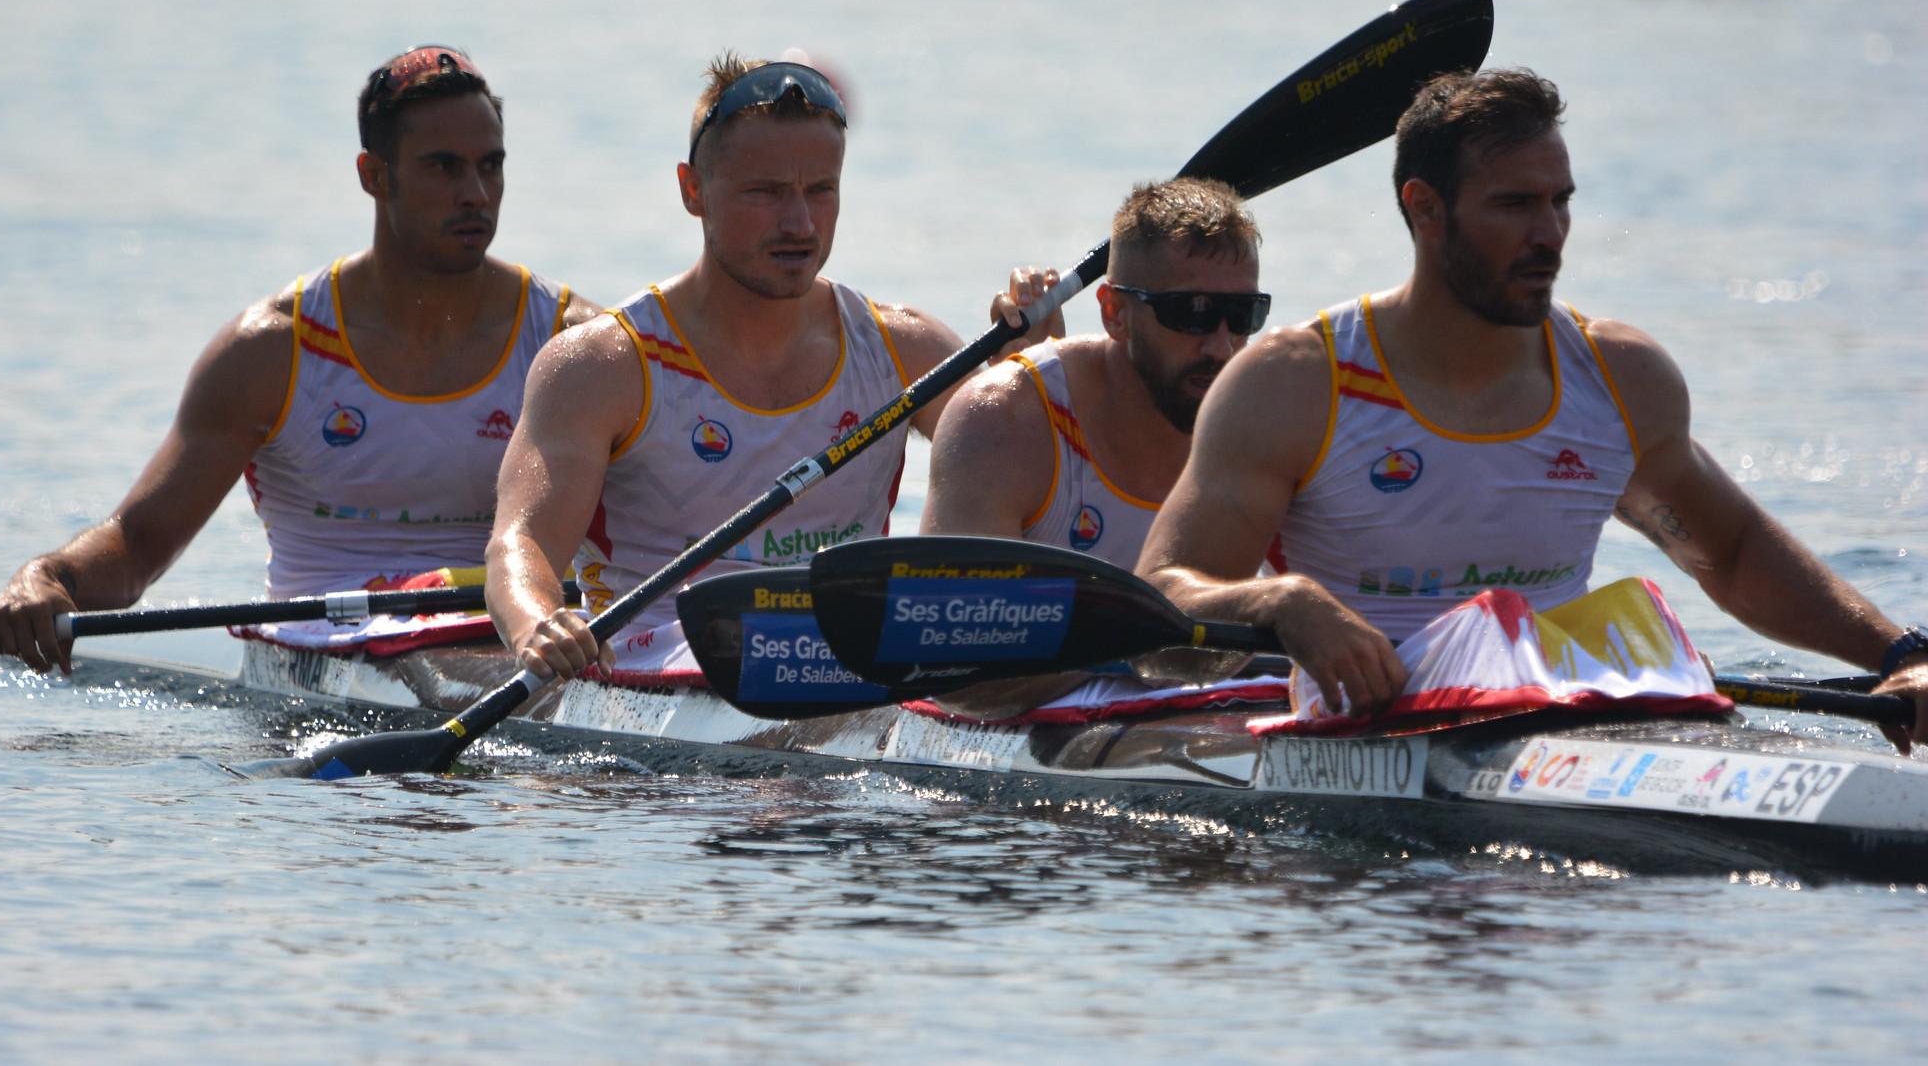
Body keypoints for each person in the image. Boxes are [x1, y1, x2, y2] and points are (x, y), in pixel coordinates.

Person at [1138, 67, 1928, 750]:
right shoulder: (1296, 384)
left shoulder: (1620, 378)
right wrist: (1282, 601)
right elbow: (1161, 605)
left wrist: (1898, 654)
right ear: (1424, 208)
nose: (1549, 234)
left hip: (1565, 733)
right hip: (1364, 734)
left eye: (1561, 202)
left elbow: (1737, 555)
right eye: (1515, 204)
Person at [0, 46, 600, 673]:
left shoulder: (573, 343)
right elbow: (139, 544)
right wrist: (48, 575)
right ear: (374, 175)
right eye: (443, 167)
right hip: (324, 646)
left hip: (515, 636)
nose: (474, 193)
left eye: (489, 166)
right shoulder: (271, 351)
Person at [489, 56, 976, 680]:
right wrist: (537, 622)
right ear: (693, 191)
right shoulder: (602, 366)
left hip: (848, 662)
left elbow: (1027, 475)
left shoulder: (907, 349)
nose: (800, 224)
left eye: (820, 190)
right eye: (766, 193)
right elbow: (519, 544)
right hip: (654, 672)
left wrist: (1029, 371)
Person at [922, 177, 1264, 561]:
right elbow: (957, 613)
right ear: (1114, 313)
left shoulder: (1276, 431)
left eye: (1241, 314)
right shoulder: (1003, 421)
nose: (1220, 347)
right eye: (1191, 312)